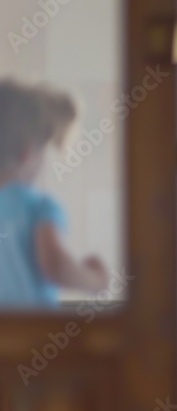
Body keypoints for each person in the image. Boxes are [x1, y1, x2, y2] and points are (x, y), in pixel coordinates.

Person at [0, 78, 109, 307]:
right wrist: (95, 280)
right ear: (29, 152)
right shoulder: (38, 206)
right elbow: (55, 265)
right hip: (37, 335)